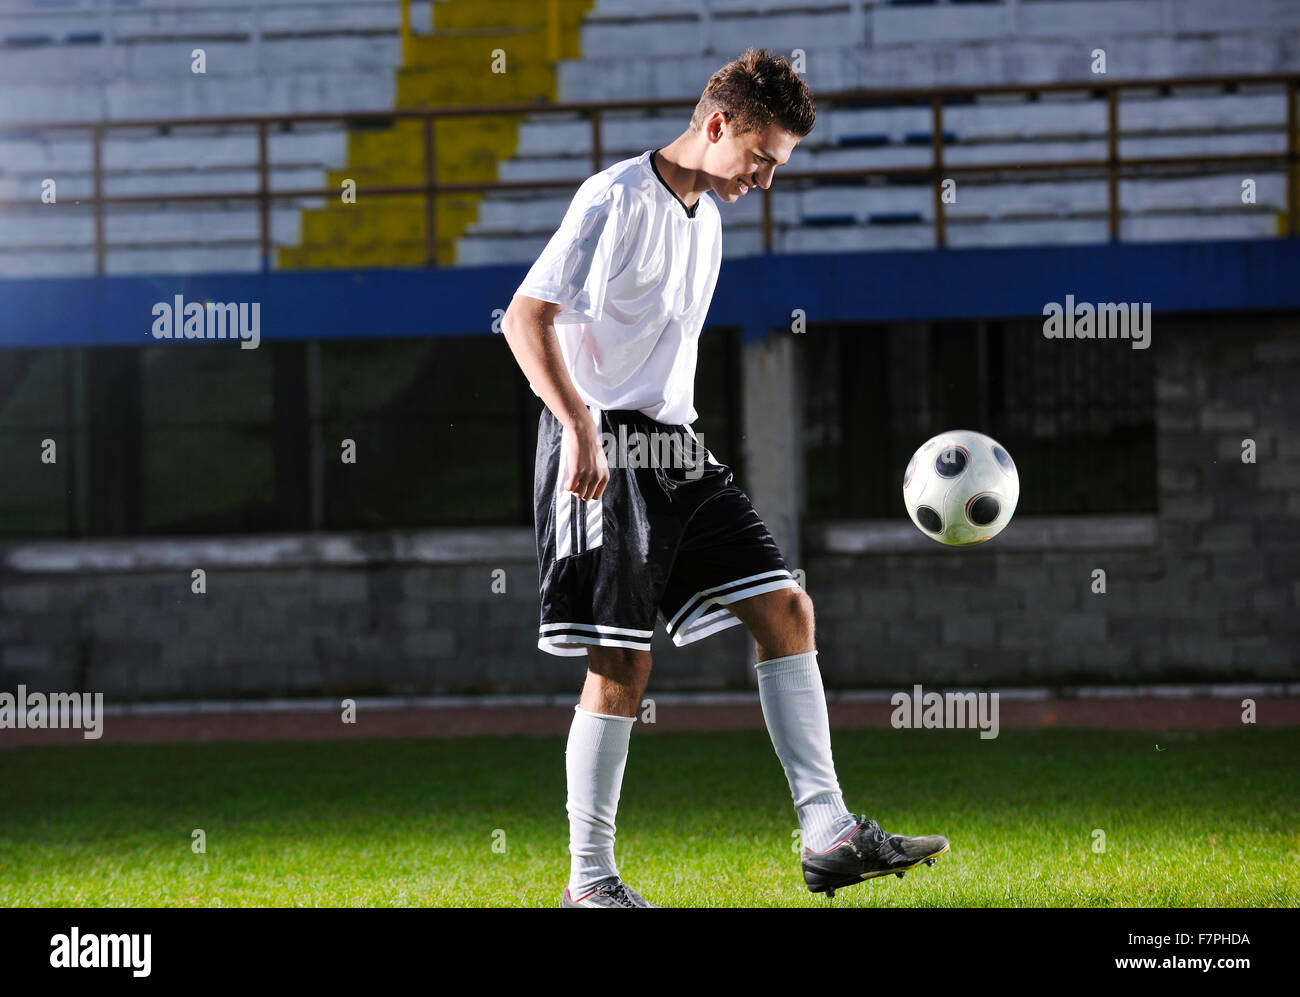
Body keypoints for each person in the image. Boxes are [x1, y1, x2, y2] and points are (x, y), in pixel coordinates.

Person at [502, 48, 948, 908]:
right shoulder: (615, 198)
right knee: (620, 667)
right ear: (716, 125)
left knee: (787, 608)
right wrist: (580, 426)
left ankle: (828, 832)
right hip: (604, 450)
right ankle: (589, 885)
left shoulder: (707, 217)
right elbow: (526, 319)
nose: (766, 180)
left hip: (678, 448)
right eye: (762, 159)